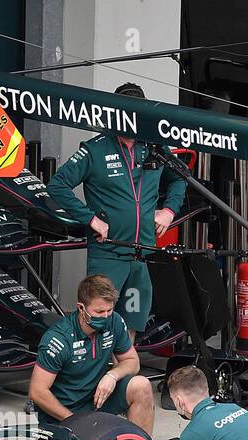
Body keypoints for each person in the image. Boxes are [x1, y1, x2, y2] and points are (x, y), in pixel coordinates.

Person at [47, 83, 187, 339]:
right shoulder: (95, 149)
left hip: (142, 254)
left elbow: (180, 176)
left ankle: (121, 377)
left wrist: (169, 210)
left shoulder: (154, 147)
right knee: (97, 323)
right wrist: (89, 219)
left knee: (129, 328)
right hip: (108, 253)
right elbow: (57, 185)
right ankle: (93, 376)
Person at [29, 273, 154, 434]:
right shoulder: (58, 339)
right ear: (81, 308)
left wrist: (112, 376)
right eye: (100, 311)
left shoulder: (114, 321)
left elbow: (132, 361)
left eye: (109, 310)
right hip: (63, 413)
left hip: (98, 400)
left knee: (141, 385)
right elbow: (37, 391)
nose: (106, 316)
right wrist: (76, 421)